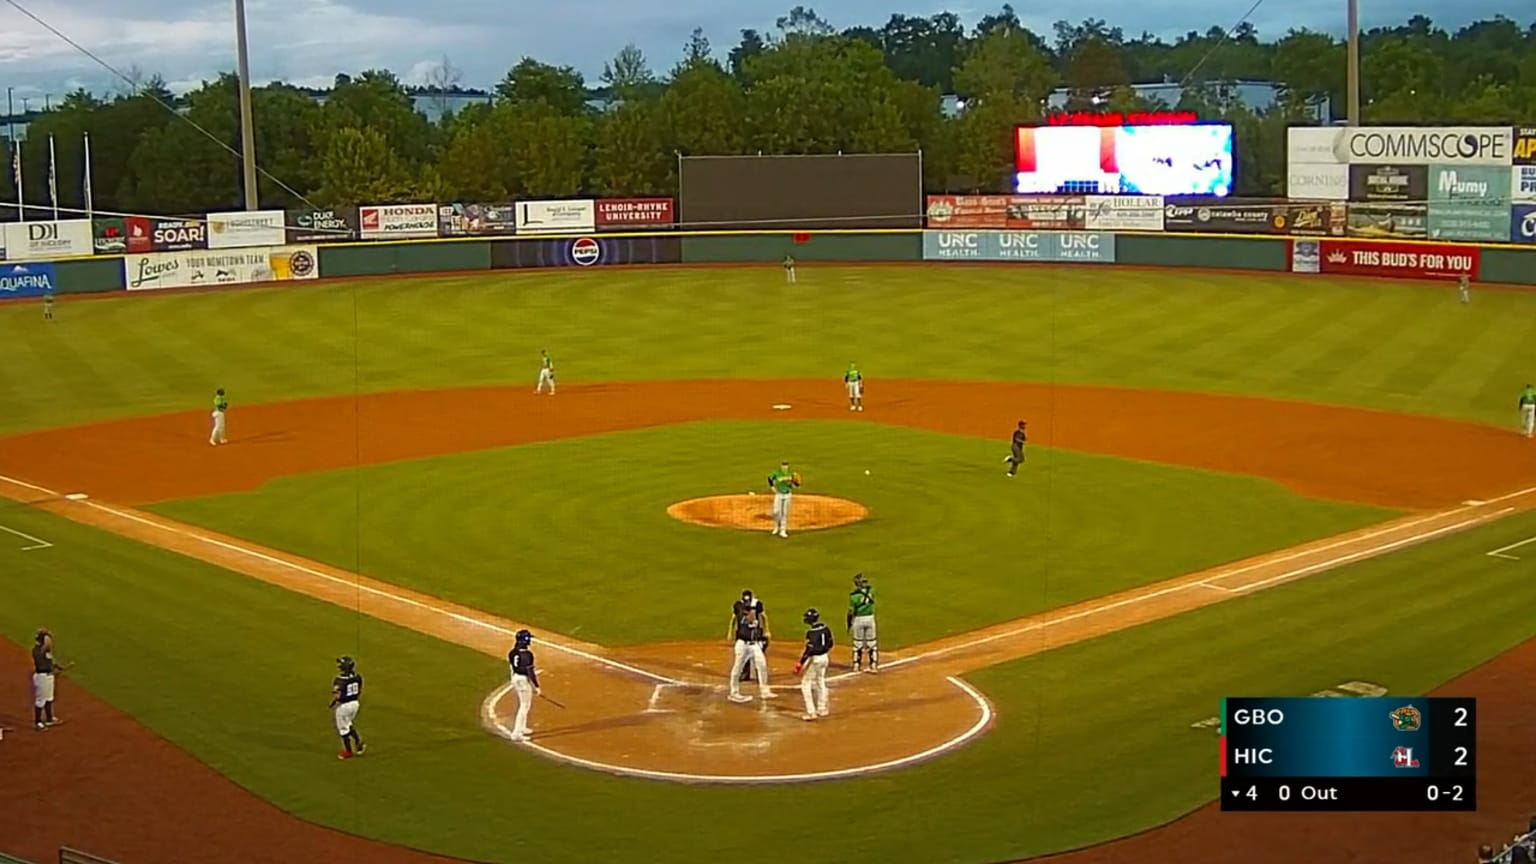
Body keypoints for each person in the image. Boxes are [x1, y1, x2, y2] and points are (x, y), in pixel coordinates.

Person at [727, 593, 774, 703]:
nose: (750, 612)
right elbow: (744, 621)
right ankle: (734, 693)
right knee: (737, 668)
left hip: (754, 645)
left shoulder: (753, 613)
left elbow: (760, 618)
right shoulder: (744, 618)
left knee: (762, 665)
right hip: (742, 645)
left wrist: (765, 632)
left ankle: (764, 691)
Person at [795, 608, 834, 720]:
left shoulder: (811, 633)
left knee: (805, 683)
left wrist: (800, 664)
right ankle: (822, 709)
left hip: (816, 659)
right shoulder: (826, 628)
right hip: (825, 658)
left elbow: (809, 650)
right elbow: (831, 643)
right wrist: (823, 650)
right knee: (820, 681)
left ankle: (811, 712)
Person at [31, 628, 71, 730]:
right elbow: (41, 663)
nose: (50, 641)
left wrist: (62, 667)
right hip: (41, 677)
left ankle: (49, 719)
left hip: (48, 677)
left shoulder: (47, 651)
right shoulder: (36, 650)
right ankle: (38, 722)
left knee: (49, 698)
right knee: (40, 700)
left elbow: (52, 662)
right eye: (47, 639)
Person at [507, 629, 540, 742]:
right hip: (523, 680)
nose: (530, 640)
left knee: (523, 704)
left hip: (516, 678)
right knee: (524, 706)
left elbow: (512, 667)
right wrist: (536, 686)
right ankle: (516, 733)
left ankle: (523, 727)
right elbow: (530, 671)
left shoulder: (512, 652)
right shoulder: (527, 655)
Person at [330, 655, 366, 759]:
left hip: (344, 706)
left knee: (343, 728)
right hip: (355, 704)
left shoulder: (339, 679)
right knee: (348, 724)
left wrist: (333, 703)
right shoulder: (358, 677)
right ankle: (359, 742)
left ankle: (348, 751)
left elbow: (338, 695)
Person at [734, 590, 770, 684]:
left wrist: (766, 631)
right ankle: (745, 674)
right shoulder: (738, 605)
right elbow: (734, 618)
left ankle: (759, 675)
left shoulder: (757, 604)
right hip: (743, 634)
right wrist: (732, 631)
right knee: (744, 655)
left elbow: (763, 617)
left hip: (756, 635)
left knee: (758, 656)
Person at [847, 573, 878, 673]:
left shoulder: (854, 596)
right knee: (872, 642)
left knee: (857, 643)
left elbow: (851, 612)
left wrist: (849, 623)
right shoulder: (871, 591)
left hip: (859, 619)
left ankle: (856, 665)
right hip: (870, 618)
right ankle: (873, 665)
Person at [767, 460, 801, 538]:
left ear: (788, 466)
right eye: (783, 465)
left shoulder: (792, 474)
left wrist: (796, 482)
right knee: (776, 512)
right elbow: (769, 478)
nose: (784, 467)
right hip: (778, 494)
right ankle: (776, 527)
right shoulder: (776, 473)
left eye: (786, 465)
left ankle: (783, 530)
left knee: (784, 513)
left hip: (787, 494)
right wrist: (772, 487)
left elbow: (797, 485)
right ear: (781, 466)